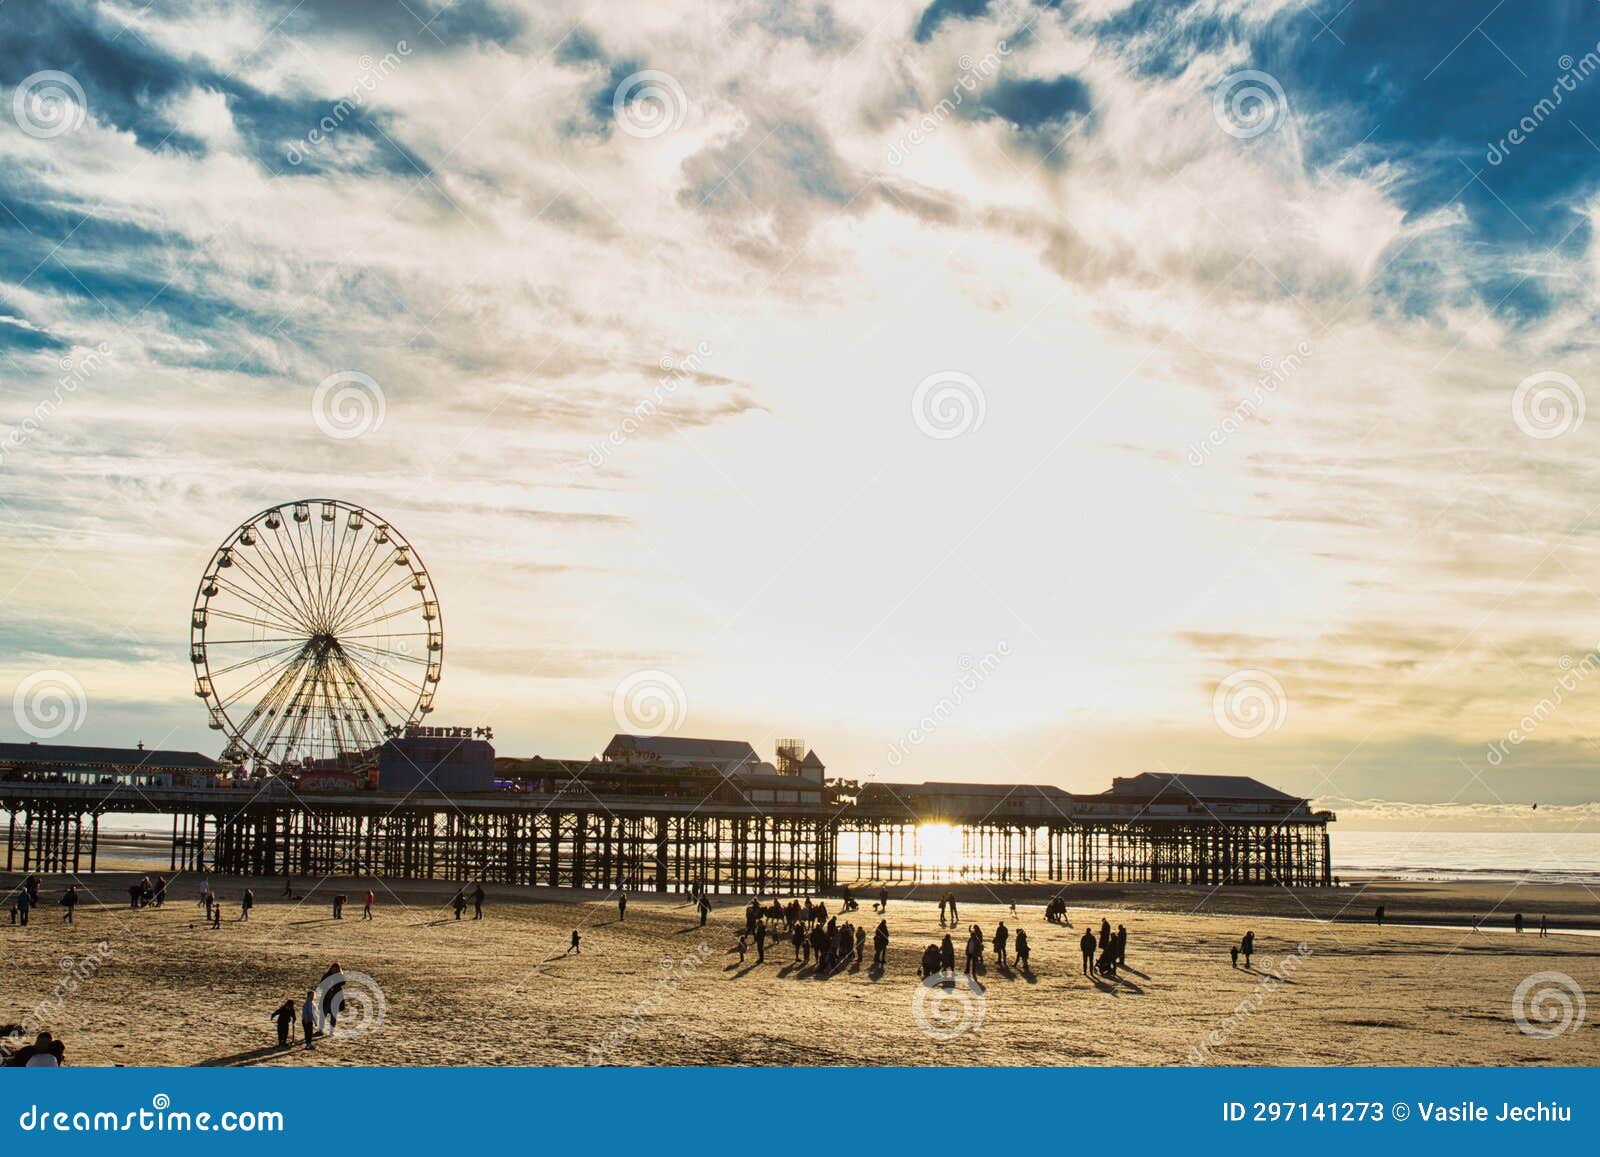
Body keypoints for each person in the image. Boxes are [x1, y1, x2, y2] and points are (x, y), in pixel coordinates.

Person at [320, 964, 345, 1035]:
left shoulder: (339, 976)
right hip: (326, 998)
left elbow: (343, 982)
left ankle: (331, 1031)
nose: (334, 970)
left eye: (336, 969)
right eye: (333, 969)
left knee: (333, 1016)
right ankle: (321, 1029)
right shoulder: (326, 975)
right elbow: (321, 985)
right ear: (331, 969)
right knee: (323, 1014)